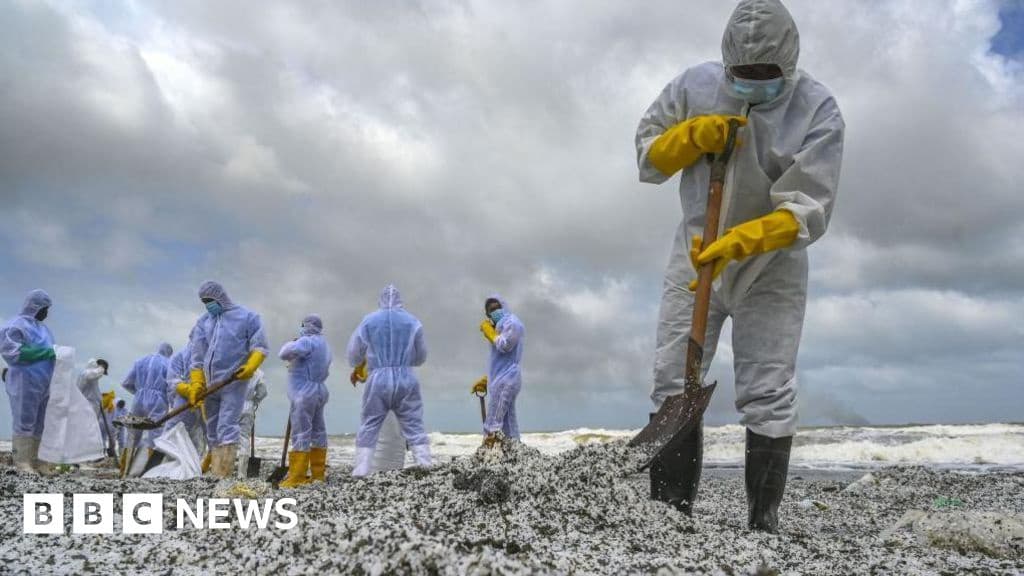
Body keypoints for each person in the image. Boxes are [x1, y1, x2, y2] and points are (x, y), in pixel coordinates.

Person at [634, 0, 844, 532]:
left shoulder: (817, 109)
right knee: (672, 382)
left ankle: (763, 519)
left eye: (766, 76)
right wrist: (689, 138)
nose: (753, 84)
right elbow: (646, 158)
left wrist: (750, 236)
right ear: (726, 63)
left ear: (788, 65)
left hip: (771, 268)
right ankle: (670, 513)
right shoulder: (692, 86)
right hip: (694, 257)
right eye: (742, 75)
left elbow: (811, 207)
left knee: (768, 388)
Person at [182, 281, 268, 478]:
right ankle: (215, 471)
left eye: (210, 300)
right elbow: (197, 355)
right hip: (210, 385)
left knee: (227, 426)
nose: (207, 305)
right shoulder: (204, 322)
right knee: (211, 428)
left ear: (220, 297)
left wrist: (251, 365)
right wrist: (196, 383)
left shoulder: (247, 317)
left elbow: (261, 346)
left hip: (233, 381)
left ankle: (224, 473)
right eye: (204, 302)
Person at [348, 285, 431, 477]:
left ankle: (361, 468)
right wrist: (406, 361)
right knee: (413, 422)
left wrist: (360, 364)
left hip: (378, 378)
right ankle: (425, 463)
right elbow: (421, 356)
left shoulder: (368, 321)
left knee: (370, 422)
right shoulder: (413, 322)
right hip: (406, 377)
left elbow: (353, 353)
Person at [1, 289, 56, 473]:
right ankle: (22, 461)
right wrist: (45, 353)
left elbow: (52, 351)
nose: (46, 313)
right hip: (24, 381)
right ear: (35, 307)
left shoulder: (44, 330)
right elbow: (12, 353)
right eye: (45, 309)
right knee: (24, 420)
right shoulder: (16, 326)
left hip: (43, 382)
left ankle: (39, 461)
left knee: (41, 422)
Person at [278, 315, 332, 487]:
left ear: (308, 326)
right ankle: (318, 475)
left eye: (302, 325)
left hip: (304, 393)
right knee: (318, 430)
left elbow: (283, 354)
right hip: (319, 390)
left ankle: (298, 475)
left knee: (301, 431)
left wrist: (293, 342)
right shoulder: (325, 345)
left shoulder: (306, 342)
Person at [472, 295, 525, 447]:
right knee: (508, 424)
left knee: (493, 423)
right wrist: (486, 379)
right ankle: (514, 451)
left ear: (504, 307)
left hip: (508, 378)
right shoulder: (500, 326)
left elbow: (505, 345)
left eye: (497, 308)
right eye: (491, 310)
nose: (495, 312)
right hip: (500, 378)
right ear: (487, 314)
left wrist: (490, 333)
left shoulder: (512, 322)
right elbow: (497, 362)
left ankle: (488, 456)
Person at [122, 343, 173, 457]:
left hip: (138, 399)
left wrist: (139, 392)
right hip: (158, 400)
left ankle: (125, 464)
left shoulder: (140, 361)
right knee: (156, 432)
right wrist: (171, 401)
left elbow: (126, 383)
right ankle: (150, 465)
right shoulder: (168, 363)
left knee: (133, 431)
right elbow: (171, 386)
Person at [163, 340, 207, 466]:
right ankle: (188, 466)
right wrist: (189, 390)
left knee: (175, 433)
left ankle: (191, 467)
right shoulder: (183, 355)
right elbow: (173, 380)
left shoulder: (181, 355)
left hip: (201, 400)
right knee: (191, 435)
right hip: (190, 400)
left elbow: (172, 381)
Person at [235, 369, 268, 477]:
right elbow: (263, 392)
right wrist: (255, 400)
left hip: (231, 406)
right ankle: (241, 473)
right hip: (248, 406)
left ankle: (225, 469)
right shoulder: (258, 372)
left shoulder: (233, 365)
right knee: (244, 439)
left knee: (227, 437)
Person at [76, 358, 111, 454]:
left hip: (90, 407)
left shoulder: (91, 378)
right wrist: (102, 368)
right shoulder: (87, 374)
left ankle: (86, 453)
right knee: (86, 431)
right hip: (87, 407)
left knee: (88, 431)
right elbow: (93, 375)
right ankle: (83, 454)